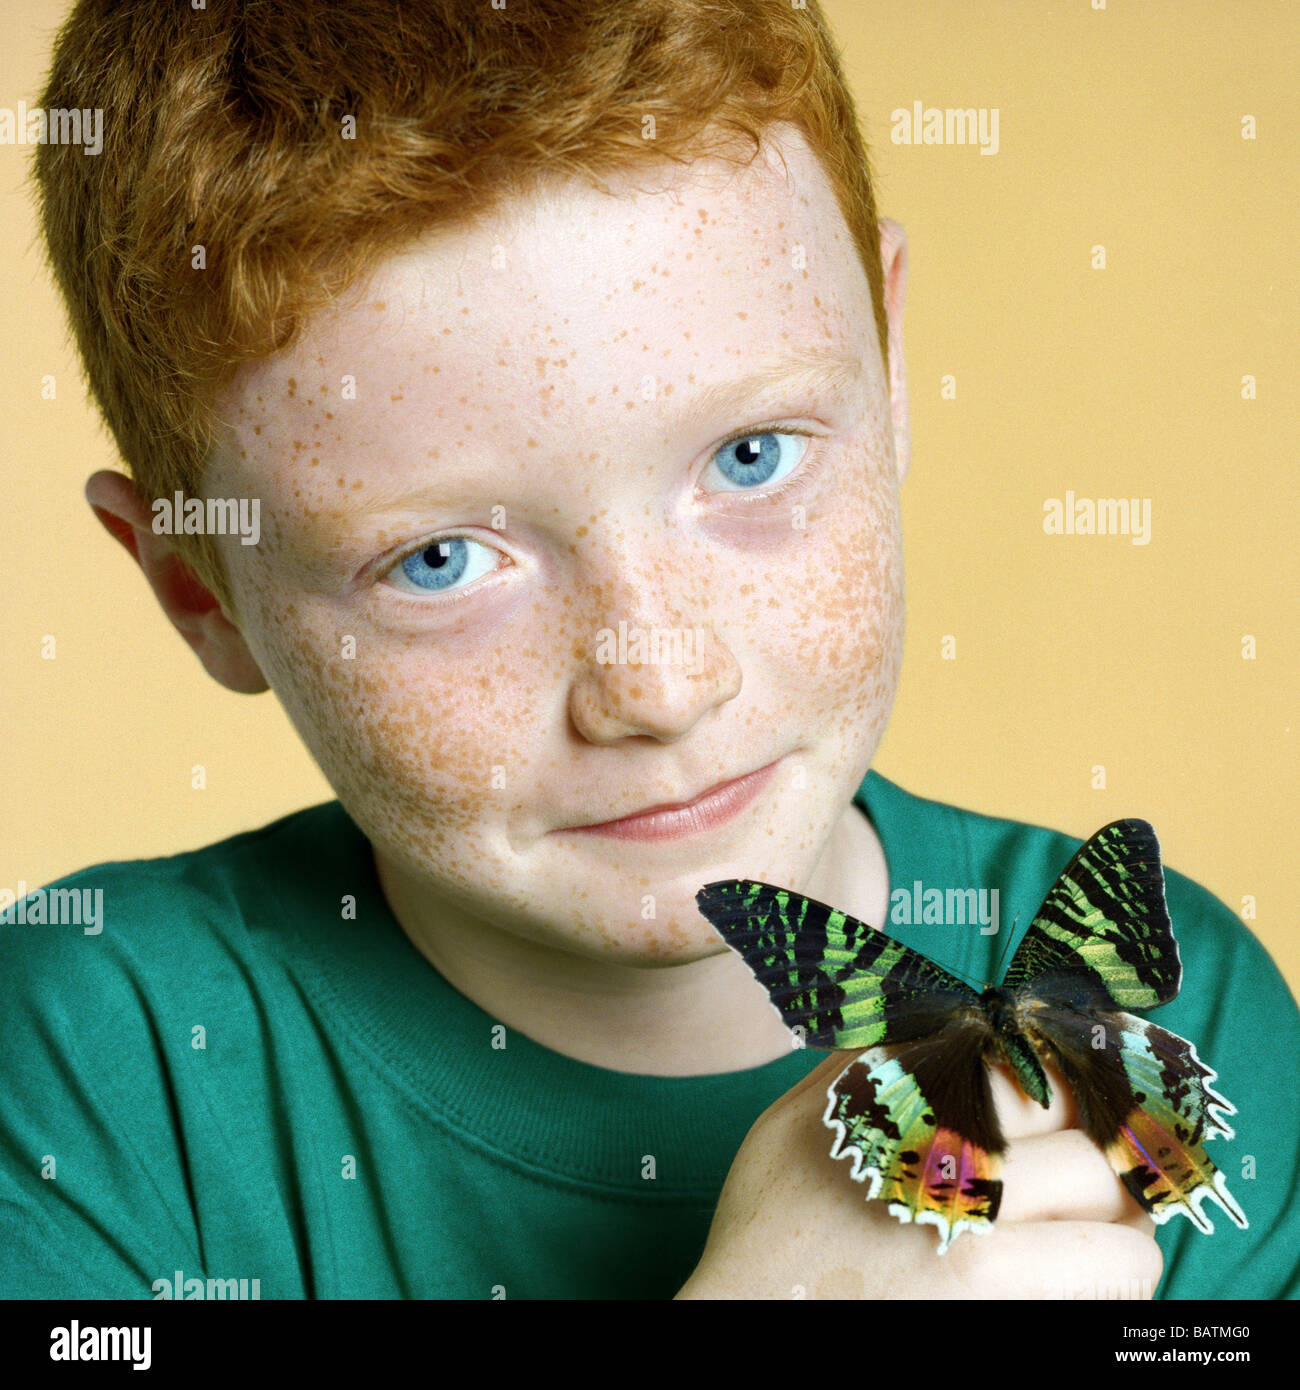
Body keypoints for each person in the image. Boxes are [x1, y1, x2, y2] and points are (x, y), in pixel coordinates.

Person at [5, 0, 1295, 1300]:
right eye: (439, 559)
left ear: (892, 367)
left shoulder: (1179, 1013)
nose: (661, 686)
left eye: (752, 457)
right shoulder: (96, 1075)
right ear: (198, 584)